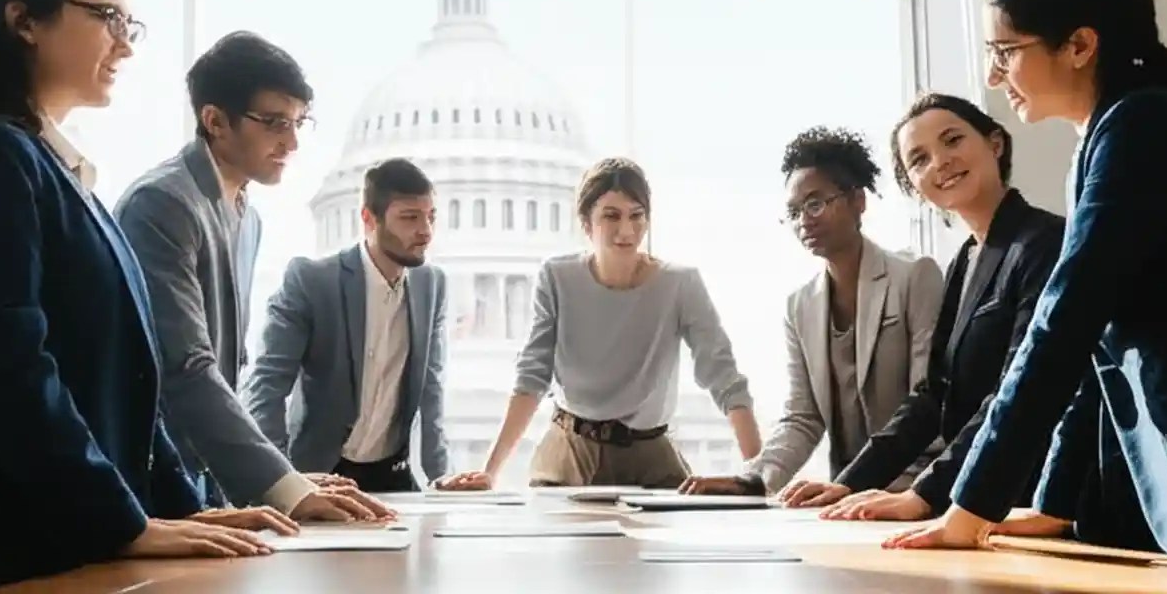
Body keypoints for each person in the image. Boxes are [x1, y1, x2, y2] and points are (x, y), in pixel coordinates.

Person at [0, 0, 294, 592]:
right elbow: (5, 370)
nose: (126, 43)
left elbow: (132, 390)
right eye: (107, 17)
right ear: (24, 20)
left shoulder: (55, 167)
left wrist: (190, 511)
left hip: (85, 549)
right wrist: (121, 521)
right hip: (24, 556)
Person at [884, 0, 1167, 569]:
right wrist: (1054, 501)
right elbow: (1092, 347)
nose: (993, 75)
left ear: (1079, 45)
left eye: (1005, 51)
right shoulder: (1109, 134)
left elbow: (1063, 326)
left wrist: (972, 508)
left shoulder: (1142, 126)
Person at [115, 31, 393, 522]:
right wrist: (282, 484)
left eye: (299, 122)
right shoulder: (161, 204)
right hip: (152, 475)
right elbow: (185, 367)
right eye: (274, 123)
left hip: (204, 473)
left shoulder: (247, 212)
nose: (291, 141)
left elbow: (224, 368)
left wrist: (282, 474)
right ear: (215, 121)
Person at [808, 93, 1063, 522]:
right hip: (982, 501)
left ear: (995, 143)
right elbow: (935, 394)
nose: (940, 162)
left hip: (1033, 500)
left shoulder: (1043, 243)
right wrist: (849, 482)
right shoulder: (964, 261)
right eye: (919, 160)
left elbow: (1017, 390)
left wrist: (925, 493)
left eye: (952, 140)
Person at [437, 157, 761, 490]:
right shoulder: (557, 276)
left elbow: (723, 376)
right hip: (569, 453)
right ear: (586, 223)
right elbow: (533, 376)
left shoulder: (680, 283)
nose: (627, 231)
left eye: (637, 216)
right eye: (611, 216)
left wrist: (758, 476)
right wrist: (490, 471)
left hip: (651, 457)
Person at [678, 127, 943, 502]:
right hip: (844, 496)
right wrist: (753, 479)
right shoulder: (800, 306)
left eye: (816, 203)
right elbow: (803, 417)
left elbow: (929, 403)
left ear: (858, 201)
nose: (804, 219)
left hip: (912, 491)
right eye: (793, 211)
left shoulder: (915, 276)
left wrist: (890, 487)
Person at [243, 158, 451, 492]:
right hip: (320, 476)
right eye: (409, 218)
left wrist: (442, 477)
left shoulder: (432, 285)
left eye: (431, 216)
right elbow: (267, 387)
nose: (425, 231)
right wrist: (282, 482)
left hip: (393, 478)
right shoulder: (311, 281)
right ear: (369, 219)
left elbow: (431, 387)